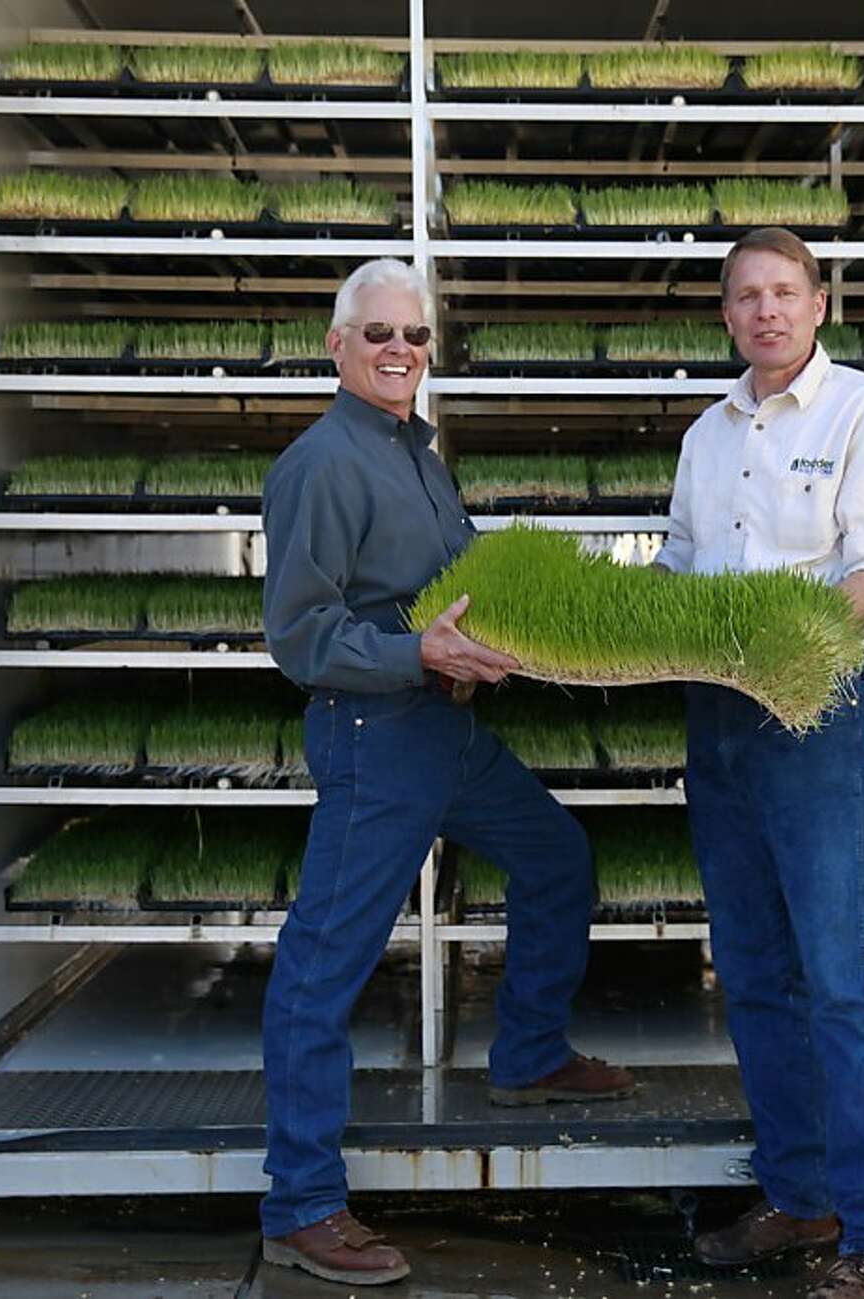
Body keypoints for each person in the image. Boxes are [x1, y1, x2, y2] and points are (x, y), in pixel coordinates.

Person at [256, 258, 635, 1287]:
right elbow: (299, 635)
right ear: (337, 346)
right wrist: (415, 654)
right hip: (375, 735)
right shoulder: (322, 465)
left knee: (556, 856)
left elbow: (450, 590)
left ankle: (530, 1055)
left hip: (445, 730)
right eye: (377, 333)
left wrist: (548, 629)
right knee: (323, 966)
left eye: (414, 336)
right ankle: (301, 1206)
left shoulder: (415, 454)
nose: (399, 350)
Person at [655, 228, 864, 1299]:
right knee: (753, 969)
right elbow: (680, 565)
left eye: (783, 292)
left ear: (819, 305)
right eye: (745, 296)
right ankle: (801, 1194)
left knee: (841, 978)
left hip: (817, 709)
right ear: (725, 315)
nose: (765, 311)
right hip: (718, 715)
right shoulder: (707, 433)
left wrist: (784, 651)